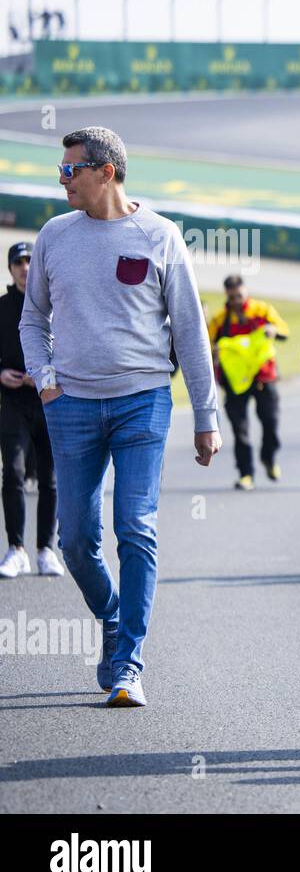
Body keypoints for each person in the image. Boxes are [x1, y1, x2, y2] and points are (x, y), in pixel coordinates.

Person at [21, 126, 222, 706]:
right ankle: (111, 615)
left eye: (70, 171)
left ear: (105, 172)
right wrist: (47, 378)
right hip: (72, 405)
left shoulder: (161, 236)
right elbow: (33, 319)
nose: (62, 180)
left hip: (143, 401)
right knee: (77, 539)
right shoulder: (55, 236)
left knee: (136, 526)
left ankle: (128, 661)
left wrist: (205, 417)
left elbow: (189, 333)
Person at [0, 241, 61, 579]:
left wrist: (39, 378)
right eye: (18, 262)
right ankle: (16, 549)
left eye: (29, 261)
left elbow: (68, 353)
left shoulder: (55, 304)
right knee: (13, 472)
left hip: (48, 401)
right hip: (12, 405)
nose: (24, 267)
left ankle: (46, 550)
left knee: (50, 478)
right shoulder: (3, 307)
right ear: (10, 269)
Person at [208, 275, 290, 490]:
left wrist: (273, 330)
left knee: (271, 423)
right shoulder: (219, 320)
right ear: (226, 295)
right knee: (239, 429)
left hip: (264, 377)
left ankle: (269, 457)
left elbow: (284, 331)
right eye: (232, 297)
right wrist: (215, 351)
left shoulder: (262, 310)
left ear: (246, 292)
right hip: (234, 383)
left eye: (240, 295)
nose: (236, 300)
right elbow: (205, 347)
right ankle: (246, 474)